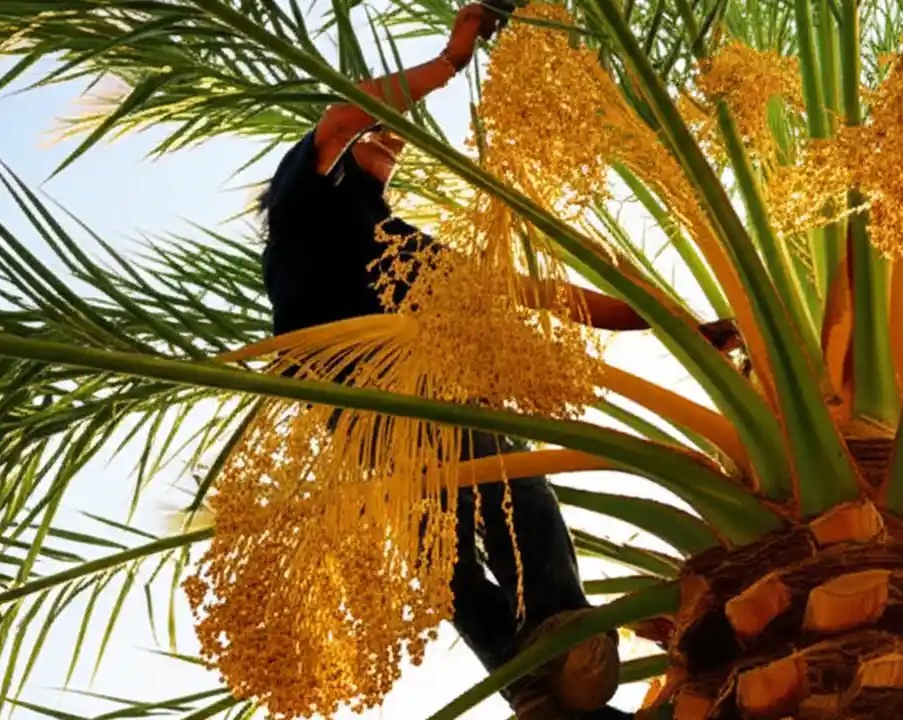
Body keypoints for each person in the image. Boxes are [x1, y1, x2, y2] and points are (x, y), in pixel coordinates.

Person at [256, 4, 738, 718]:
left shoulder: (403, 246)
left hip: (385, 411)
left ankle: (534, 683)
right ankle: (558, 628)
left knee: (443, 556)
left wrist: (680, 330)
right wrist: (452, 59)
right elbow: (340, 116)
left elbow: (542, 295)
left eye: (398, 136)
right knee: (515, 493)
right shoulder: (306, 201)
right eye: (379, 133)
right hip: (386, 401)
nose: (393, 138)